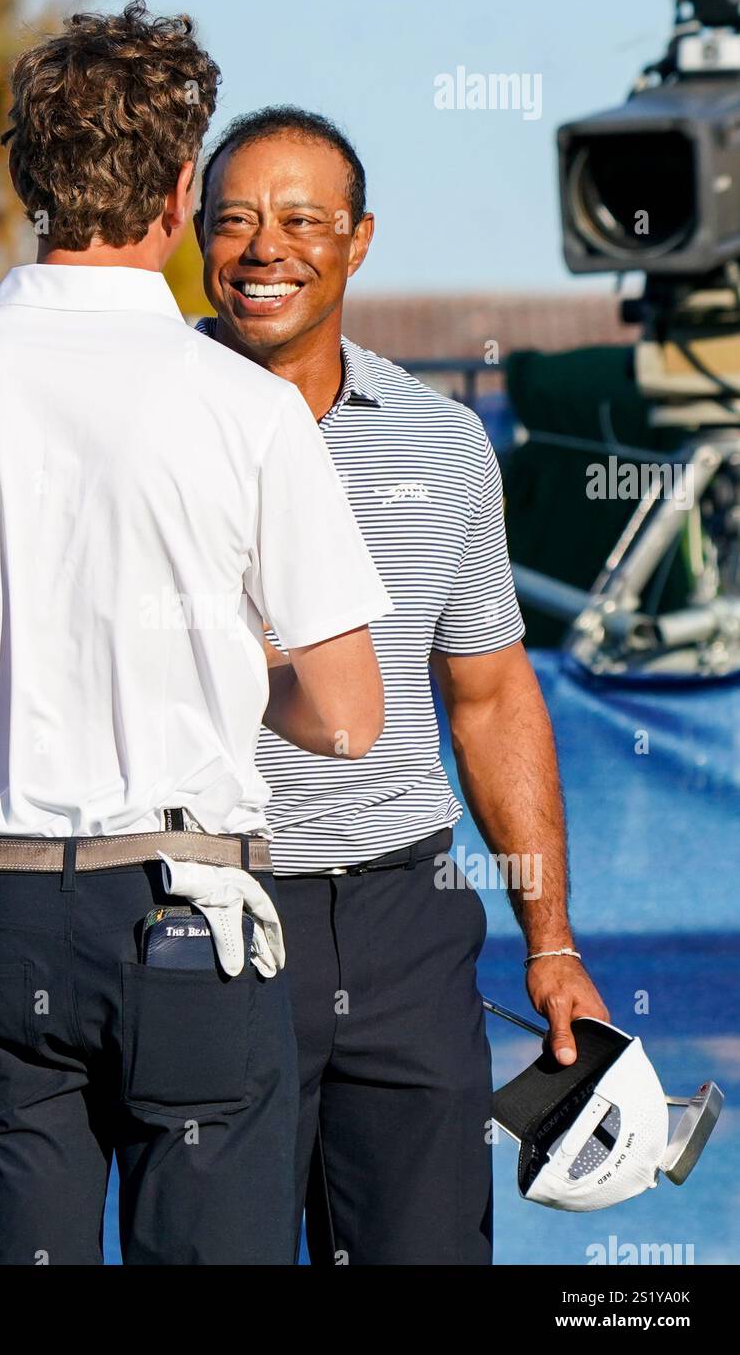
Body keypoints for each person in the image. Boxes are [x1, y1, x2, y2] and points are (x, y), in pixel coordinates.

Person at [0, 11, 391, 1266]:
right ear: (180, 192)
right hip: (197, 922)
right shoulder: (249, 408)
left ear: (27, 183)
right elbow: (347, 714)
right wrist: (219, 657)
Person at [195, 106, 611, 1266]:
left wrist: (551, 939)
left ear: (359, 239)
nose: (264, 248)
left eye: (299, 221)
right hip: (204, 911)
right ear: (193, 240)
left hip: (401, 921)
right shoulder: (142, 425)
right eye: (233, 221)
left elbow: (487, 698)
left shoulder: (440, 443)